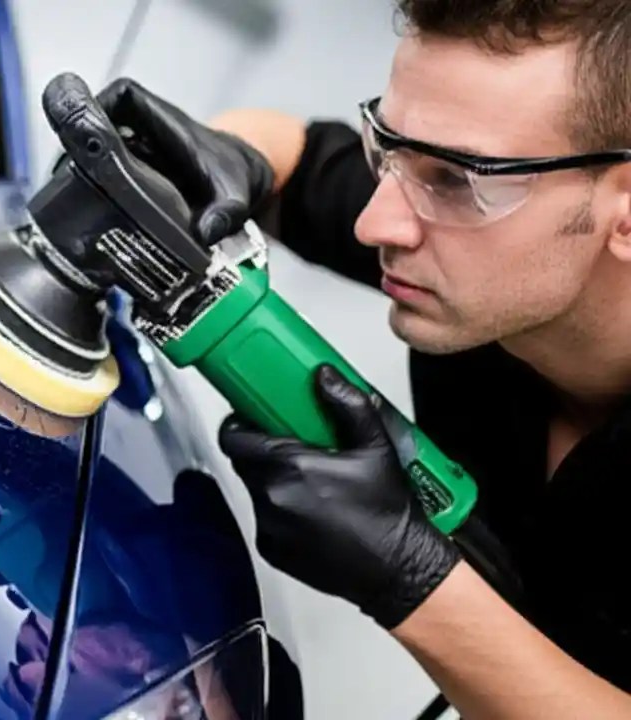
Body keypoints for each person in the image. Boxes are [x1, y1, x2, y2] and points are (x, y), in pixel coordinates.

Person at [92, 1, 631, 717]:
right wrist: (220, 162)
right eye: (391, 148)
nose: (376, 222)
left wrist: (410, 580)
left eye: (454, 180)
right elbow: (296, 154)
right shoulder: (469, 267)